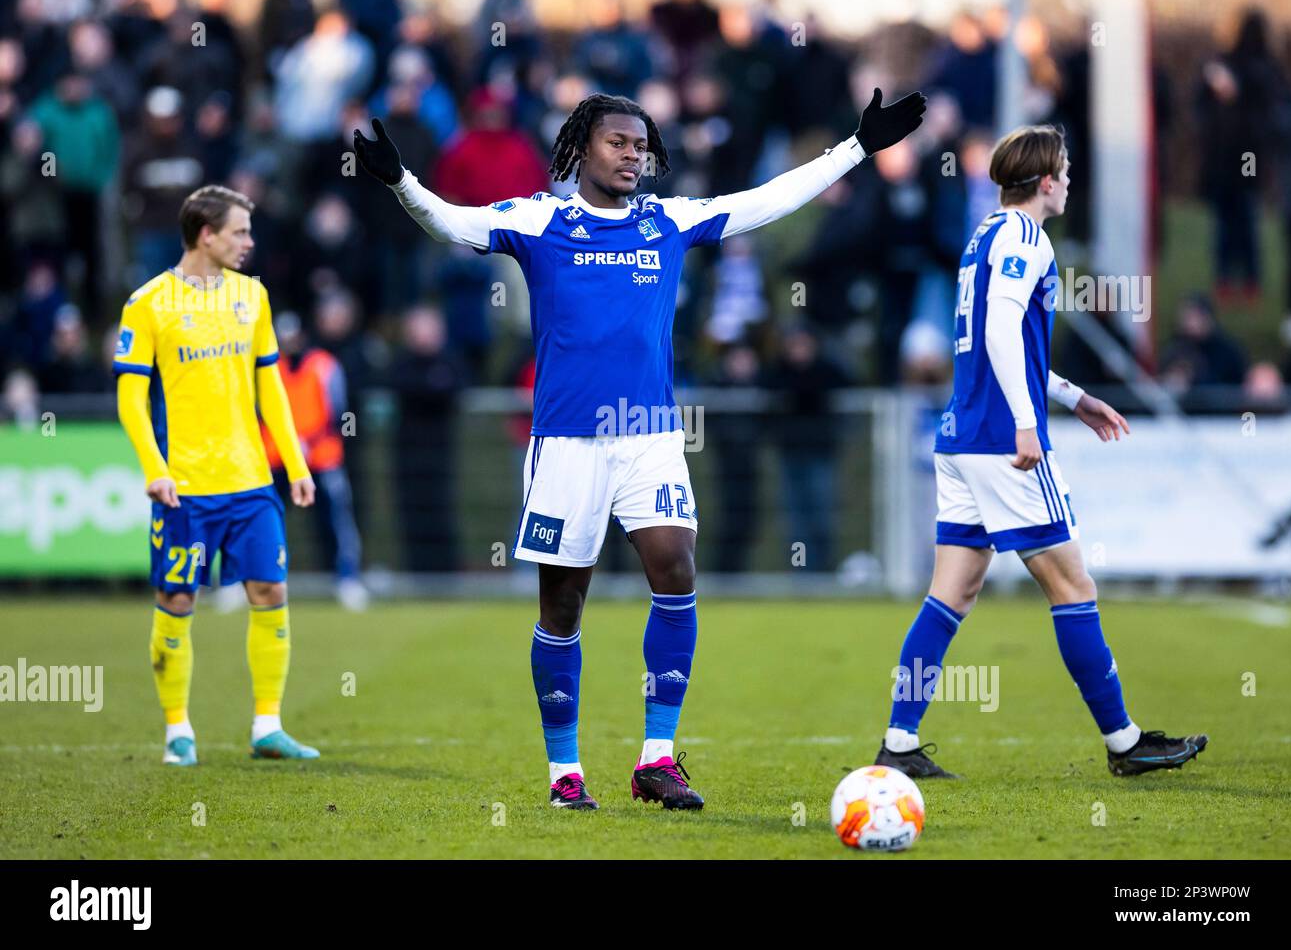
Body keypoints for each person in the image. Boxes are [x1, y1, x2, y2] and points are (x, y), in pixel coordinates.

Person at [354, 87, 926, 809]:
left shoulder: (667, 222)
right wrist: (400, 180)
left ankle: (657, 758)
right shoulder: (539, 220)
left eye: (641, 146)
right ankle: (565, 772)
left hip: (650, 435)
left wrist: (857, 147)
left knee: (676, 568)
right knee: (564, 606)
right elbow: (450, 222)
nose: (633, 156)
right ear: (580, 150)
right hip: (567, 443)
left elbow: (766, 201)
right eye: (618, 143)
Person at [874, 125, 1208, 780]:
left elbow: (1002, 343)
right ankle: (1125, 743)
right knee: (1073, 584)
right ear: (1047, 180)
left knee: (952, 592)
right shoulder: (1027, 238)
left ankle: (899, 742)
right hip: (1002, 440)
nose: (1070, 180)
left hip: (962, 436)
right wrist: (1028, 424)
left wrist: (1072, 396)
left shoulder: (985, 234)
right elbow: (1001, 330)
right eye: (1067, 170)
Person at [113, 185, 320, 767]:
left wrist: (295, 463)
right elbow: (130, 401)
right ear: (206, 235)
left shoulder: (253, 296)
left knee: (270, 590)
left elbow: (270, 387)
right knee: (177, 598)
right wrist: (154, 470)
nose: (249, 242)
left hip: (250, 482)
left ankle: (267, 726)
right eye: (239, 232)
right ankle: (178, 730)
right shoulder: (148, 303)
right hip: (185, 488)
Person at [260, 311, 368, 611]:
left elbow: (342, 412)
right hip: (278, 458)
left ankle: (347, 577)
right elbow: (258, 411)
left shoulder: (324, 365)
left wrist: (323, 440)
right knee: (262, 520)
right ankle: (254, 579)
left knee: (335, 520)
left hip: (321, 458)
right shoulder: (268, 366)